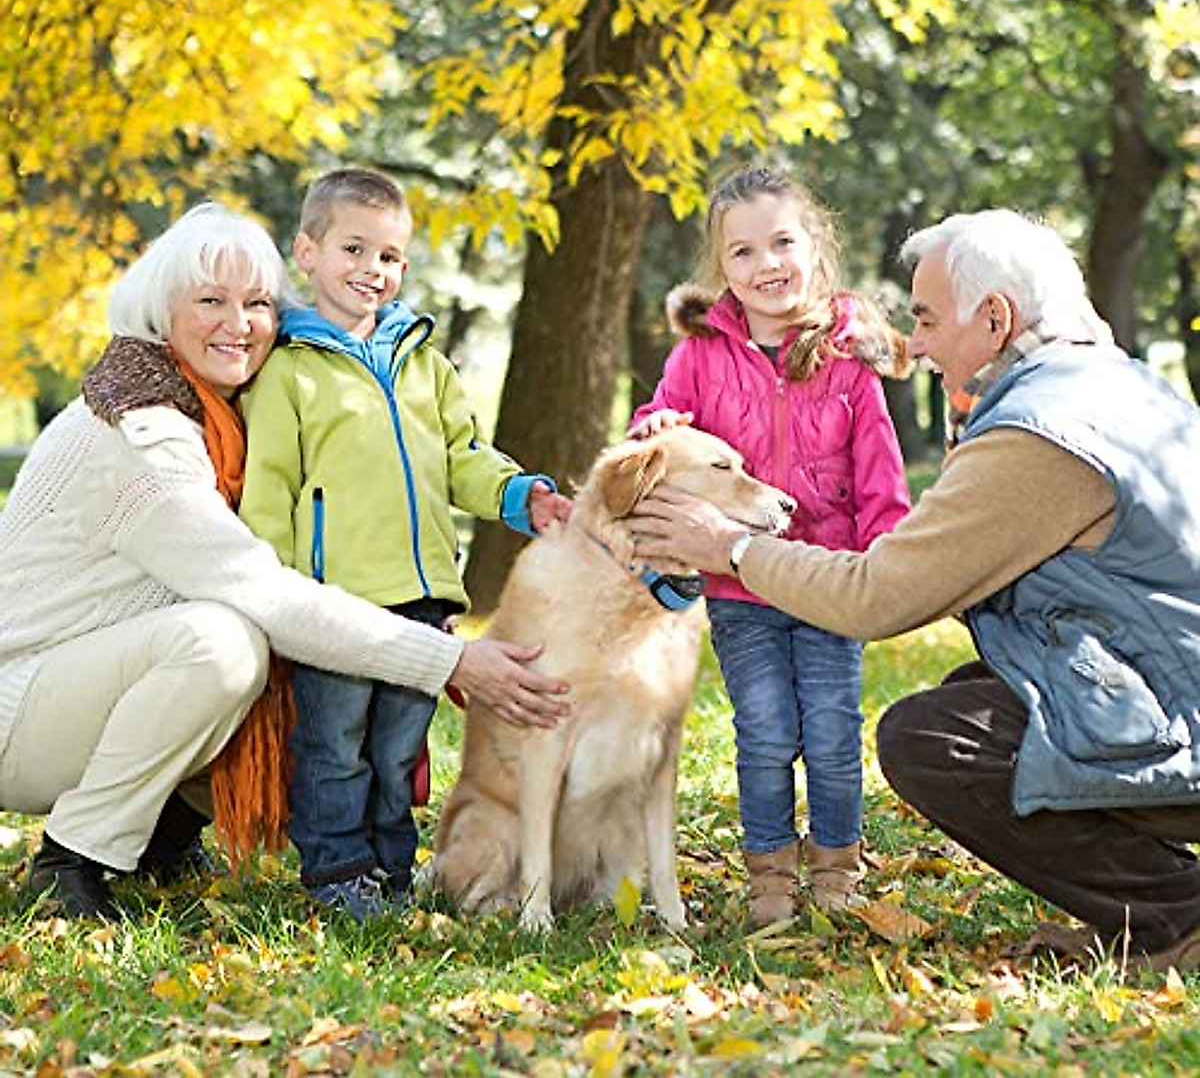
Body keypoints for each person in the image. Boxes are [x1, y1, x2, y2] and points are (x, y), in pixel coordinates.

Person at [626, 207, 1200, 974]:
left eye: (927, 319)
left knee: (937, 741)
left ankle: (1178, 914)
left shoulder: (1045, 433)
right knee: (988, 698)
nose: (915, 342)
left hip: (1185, 717)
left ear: (994, 318)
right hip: (1177, 688)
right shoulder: (1116, 385)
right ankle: (1148, 910)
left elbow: (878, 595)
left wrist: (728, 546)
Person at [0, 202, 570, 923]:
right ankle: (71, 861)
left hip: (77, 682)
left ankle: (162, 840)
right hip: (17, 705)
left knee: (279, 656)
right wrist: (450, 662)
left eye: (257, 303)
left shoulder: (222, 414)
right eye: (210, 300)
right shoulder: (143, 430)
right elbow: (260, 588)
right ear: (160, 309)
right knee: (225, 643)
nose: (237, 323)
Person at [239, 168, 572, 920]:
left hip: (423, 600)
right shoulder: (289, 372)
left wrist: (521, 495)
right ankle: (336, 873)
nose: (372, 270)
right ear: (308, 252)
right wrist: (278, 597)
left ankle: (390, 871)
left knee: (397, 752)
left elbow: (464, 457)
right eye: (353, 249)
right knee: (334, 746)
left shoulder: (425, 362)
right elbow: (270, 492)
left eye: (388, 257)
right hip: (336, 604)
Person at [628, 164, 910, 925]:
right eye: (744, 252)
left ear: (815, 246)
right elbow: (662, 426)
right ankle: (770, 875)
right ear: (722, 268)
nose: (767, 266)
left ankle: (837, 868)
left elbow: (881, 477)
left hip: (827, 582)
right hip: (740, 590)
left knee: (830, 732)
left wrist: (883, 562)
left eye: (783, 242)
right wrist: (652, 425)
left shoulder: (848, 366)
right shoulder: (699, 357)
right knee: (762, 733)